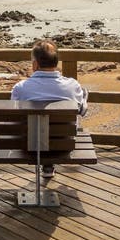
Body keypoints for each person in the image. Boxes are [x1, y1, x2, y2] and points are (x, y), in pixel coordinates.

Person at [11, 39, 88, 177]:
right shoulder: (72, 85)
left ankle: (47, 164)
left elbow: (14, 117)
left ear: (35, 64)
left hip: (29, 146)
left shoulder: (20, 88)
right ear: (56, 63)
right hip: (64, 145)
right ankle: (49, 164)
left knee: (37, 128)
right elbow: (82, 112)